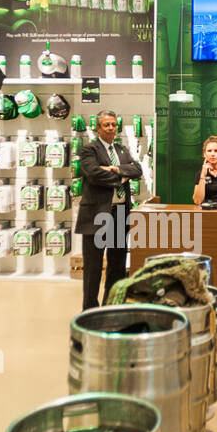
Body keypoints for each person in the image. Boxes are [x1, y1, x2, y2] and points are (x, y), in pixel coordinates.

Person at [75, 110, 143, 310]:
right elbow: (95, 175)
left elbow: (137, 170)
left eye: (114, 124)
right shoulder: (89, 150)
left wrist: (114, 169)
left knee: (117, 265)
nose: (111, 128)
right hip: (97, 215)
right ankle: (89, 310)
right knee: (93, 267)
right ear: (98, 128)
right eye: (107, 125)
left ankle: (111, 306)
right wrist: (123, 175)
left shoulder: (121, 150)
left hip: (120, 214)